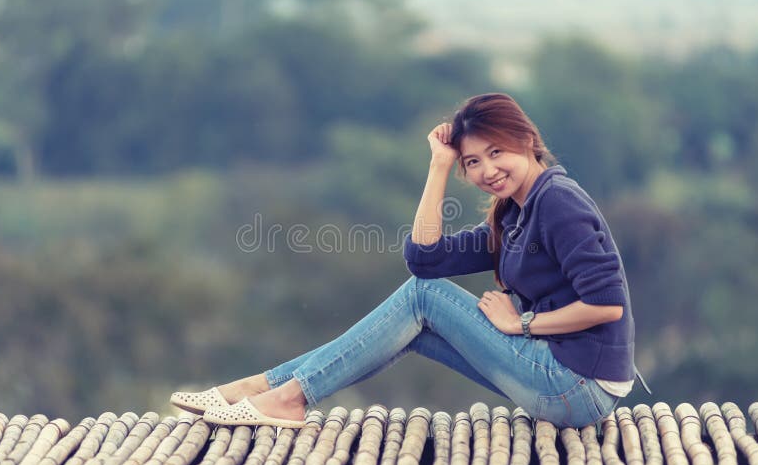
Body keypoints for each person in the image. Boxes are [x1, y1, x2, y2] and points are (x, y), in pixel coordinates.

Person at [171, 92, 650, 429]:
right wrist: (438, 166)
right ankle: (264, 387)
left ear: (526, 140)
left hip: (577, 386)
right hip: (561, 377)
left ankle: (288, 397)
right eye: (473, 163)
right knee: (414, 321)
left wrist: (520, 326)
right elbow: (425, 259)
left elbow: (607, 306)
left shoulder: (558, 201)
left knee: (423, 300)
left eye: (496, 152)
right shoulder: (517, 214)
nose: (487, 171)